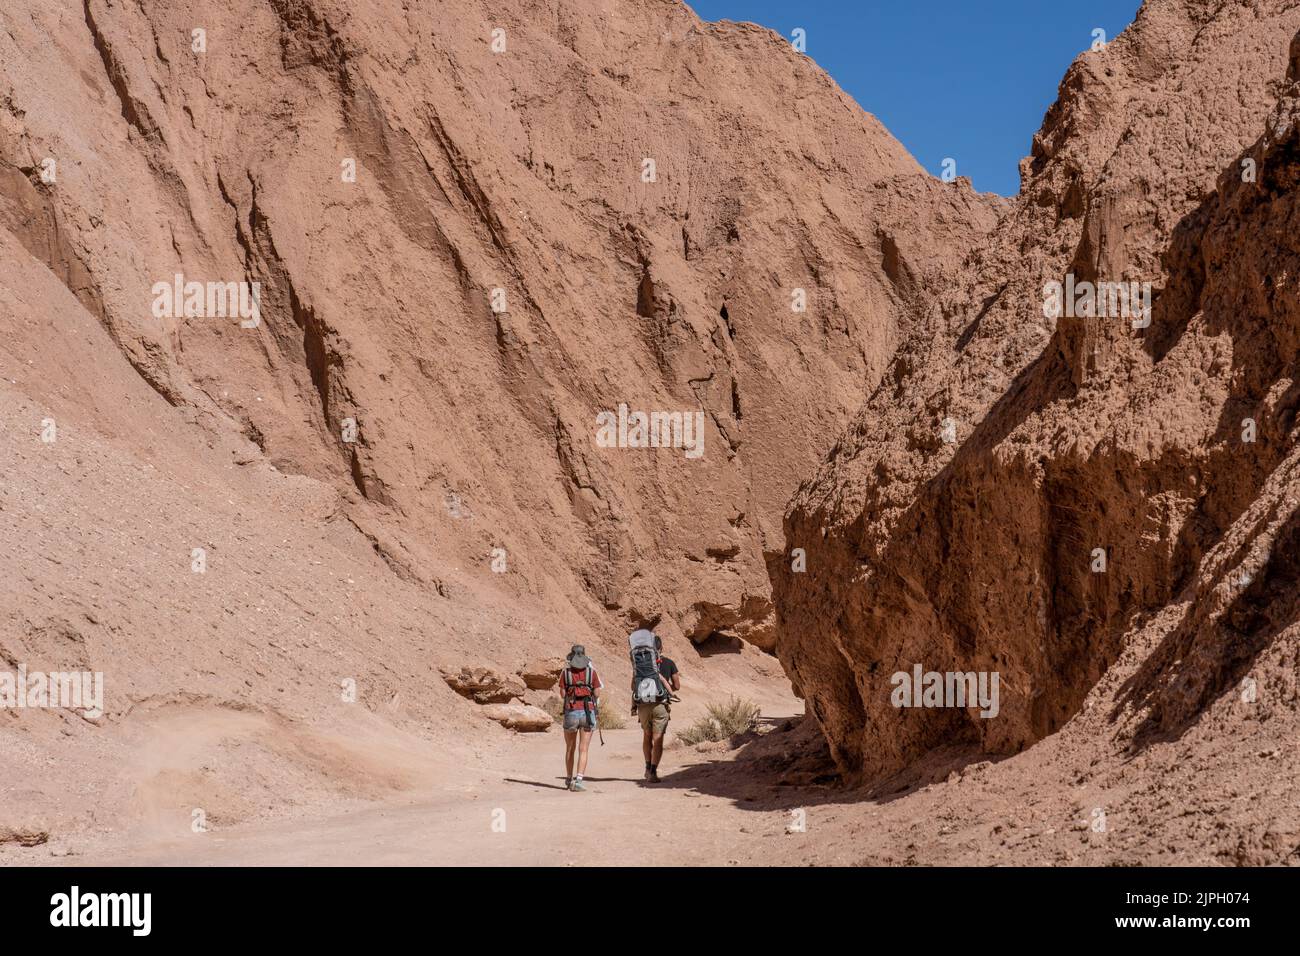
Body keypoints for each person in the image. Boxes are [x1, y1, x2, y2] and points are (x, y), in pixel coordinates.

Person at [637, 635, 679, 783]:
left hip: (643, 705)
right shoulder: (668, 663)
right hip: (660, 705)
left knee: (646, 736)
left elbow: (632, 686)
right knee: (658, 739)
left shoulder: (641, 663)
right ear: (661, 648)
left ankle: (647, 767)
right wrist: (666, 689)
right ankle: (653, 772)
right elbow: (677, 685)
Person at [560, 644, 601, 792]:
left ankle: (569, 778)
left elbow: (563, 695)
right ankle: (578, 780)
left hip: (571, 711)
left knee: (570, 748)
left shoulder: (565, 673)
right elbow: (596, 694)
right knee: (583, 749)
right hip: (587, 712)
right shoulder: (592, 673)